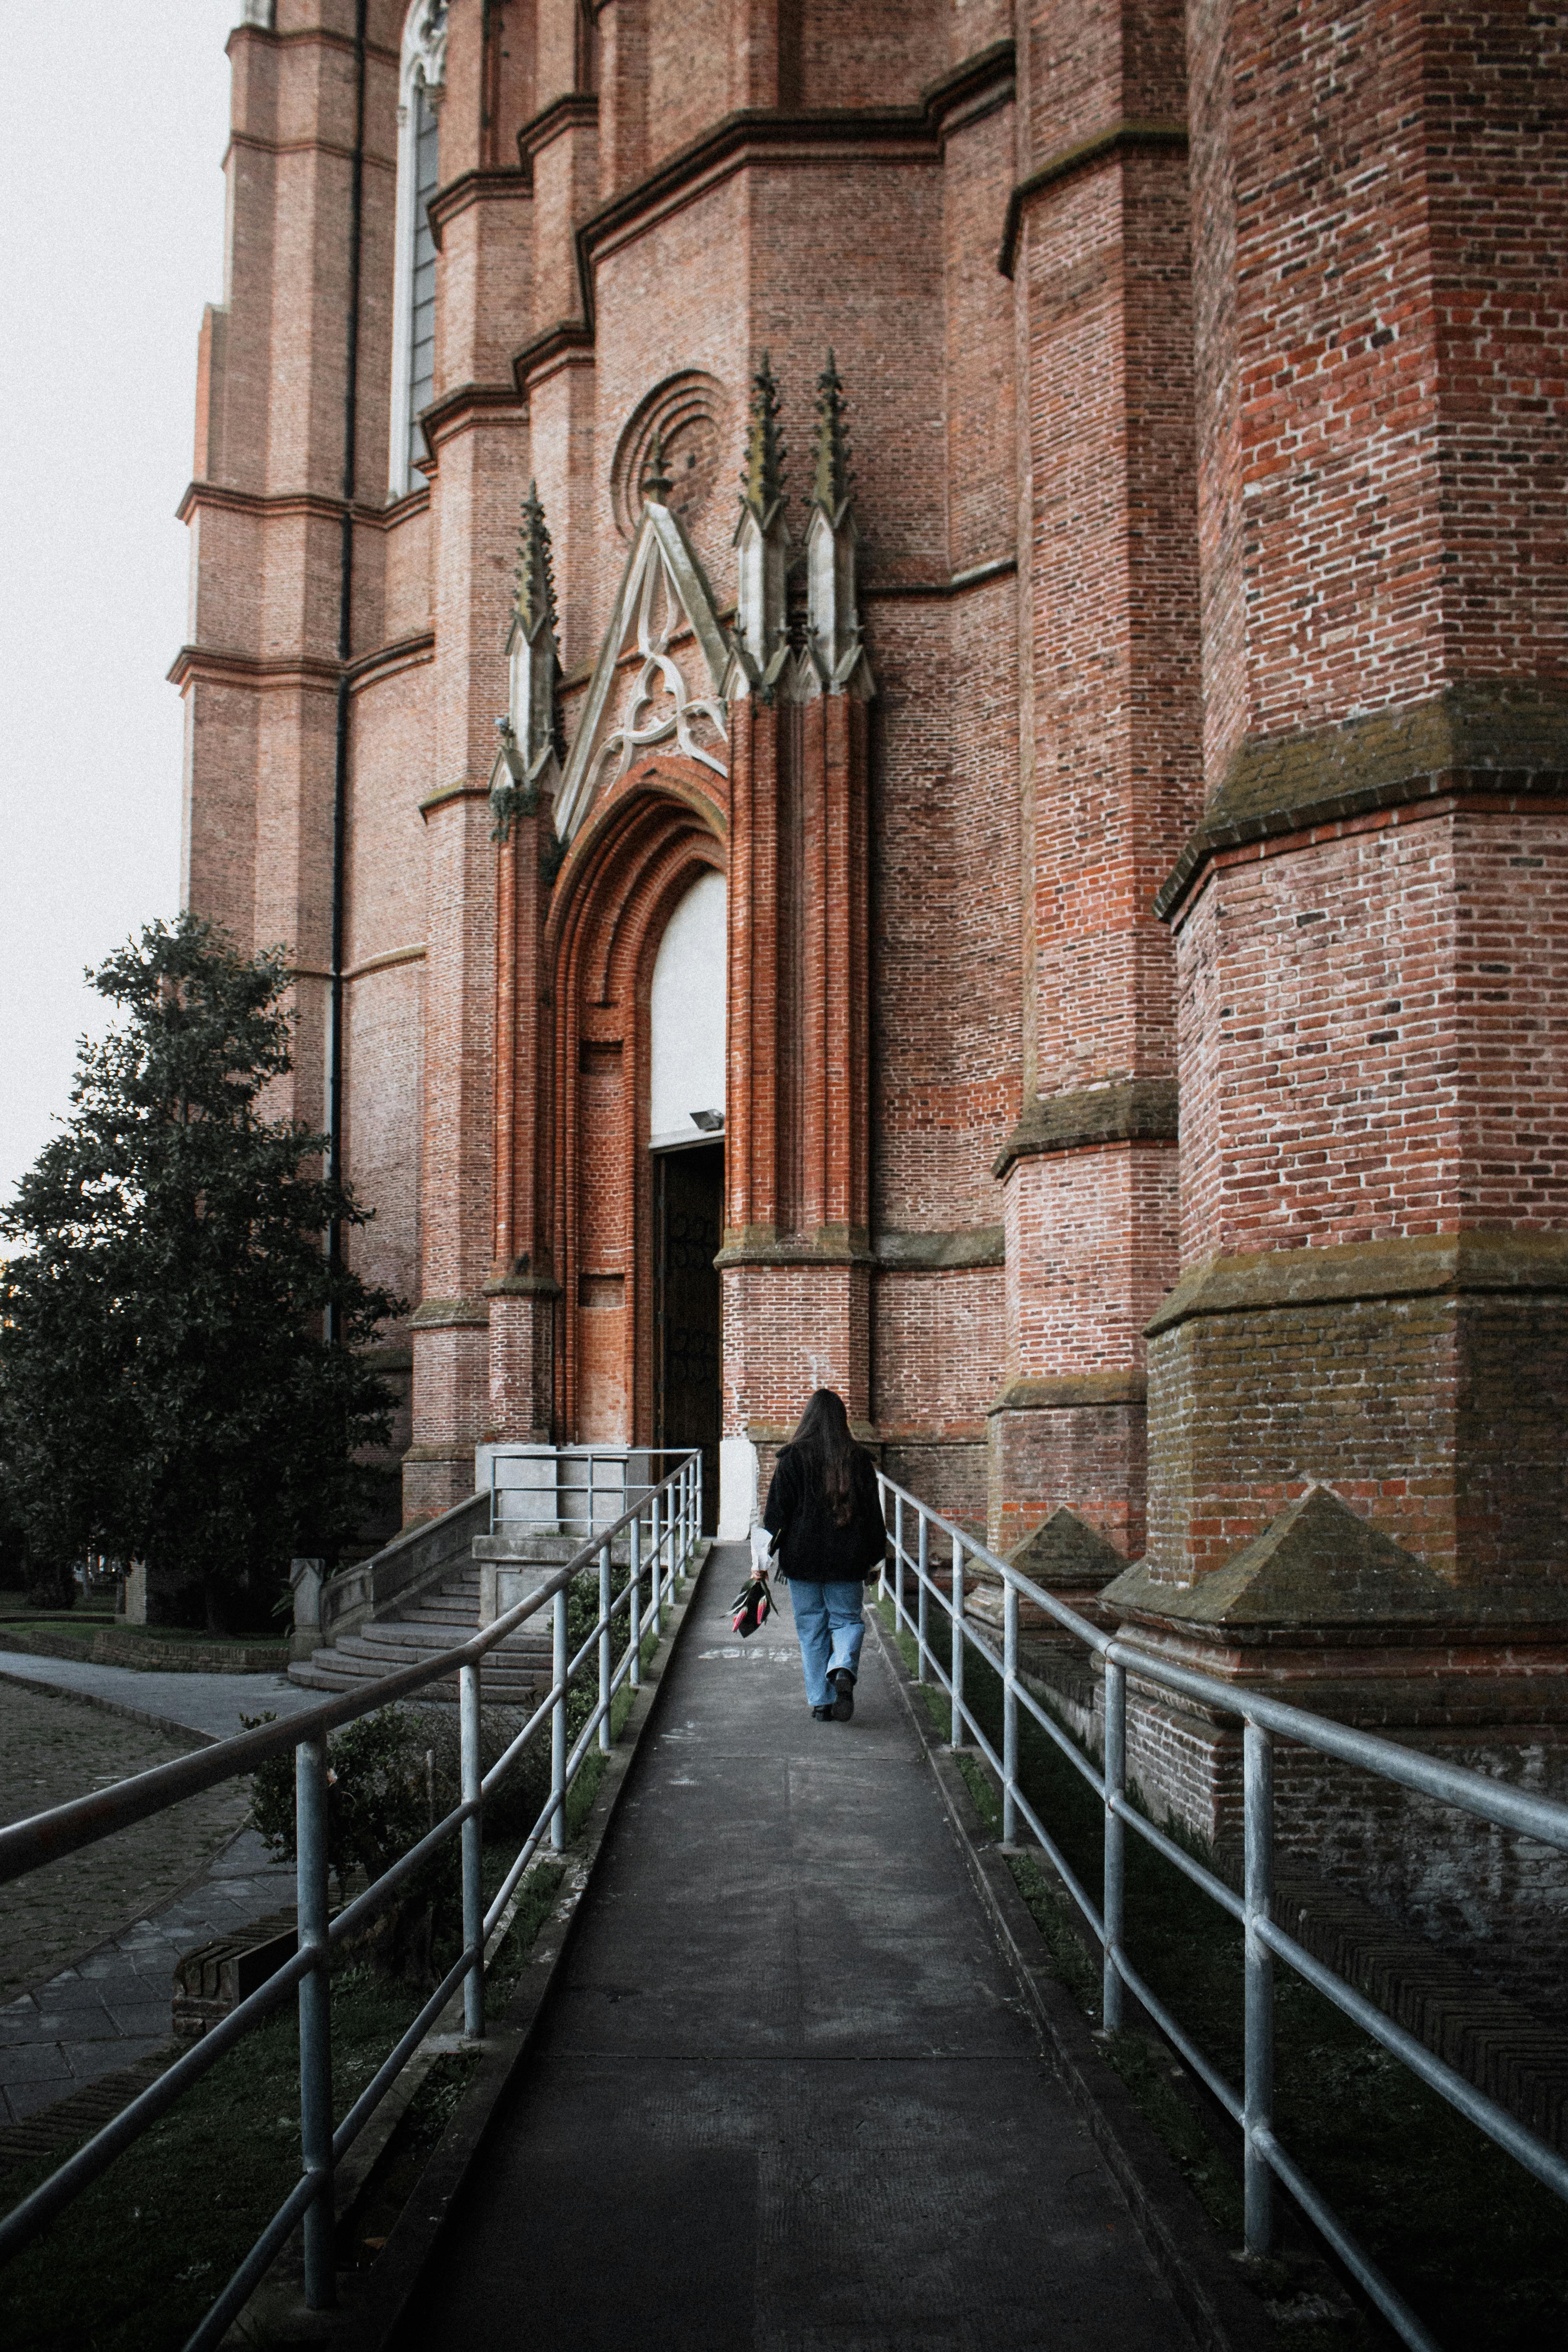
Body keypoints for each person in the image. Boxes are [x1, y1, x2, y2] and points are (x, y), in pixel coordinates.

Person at [760, 1388, 888, 1721]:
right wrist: (876, 1558)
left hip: (801, 1561)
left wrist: (762, 1560)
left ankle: (821, 1703)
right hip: (848, 1560)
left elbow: (775, 1516)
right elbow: (874, 1518)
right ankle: (843, 1667)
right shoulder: (859, 1461)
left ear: (808, 1418)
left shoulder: (791, 1459)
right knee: (846, 1620)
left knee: (812, 1629)